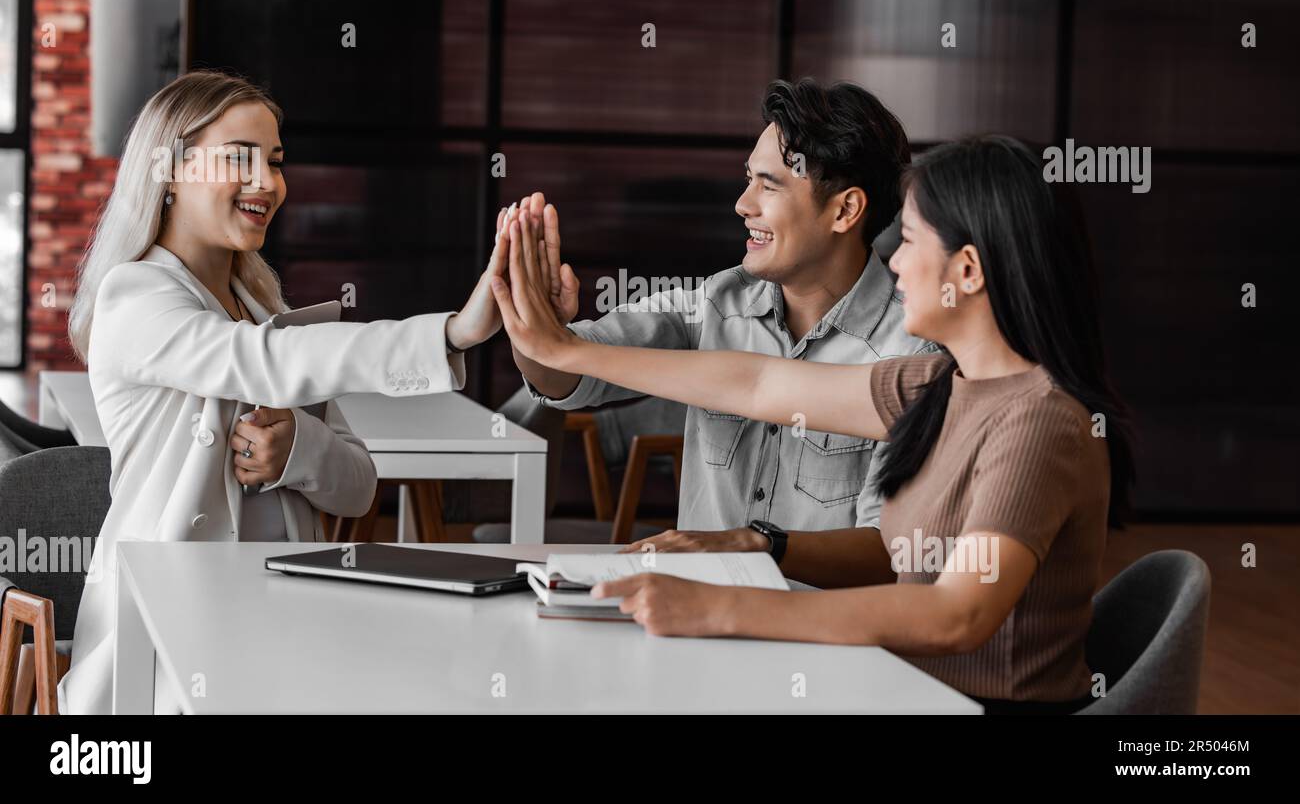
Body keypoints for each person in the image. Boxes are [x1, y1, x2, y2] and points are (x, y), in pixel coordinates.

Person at [492, 135, 1135, 713]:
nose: (894, 263)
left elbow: (957, 613)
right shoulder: (938, 385)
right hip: (896, 688)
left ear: (966, 271)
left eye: (908, 242)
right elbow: (757, 383)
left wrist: (720, 607)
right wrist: (563, 348)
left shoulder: (1039, 421)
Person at [60, 70, 508, 714]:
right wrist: (455, 333)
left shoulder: (262, 308)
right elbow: (259, 364)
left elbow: (357, 484)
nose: (268, 183)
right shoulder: (135, 297)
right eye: (239, 158)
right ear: (171, 170)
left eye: (274, 161)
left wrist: (298, 447)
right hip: (164, 644)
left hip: (278, 626)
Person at [511, 78, 935, 545]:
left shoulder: (912, 351)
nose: (741, 204)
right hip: (691, 612)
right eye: (747, 179)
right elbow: (563, 377)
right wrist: (534, 326)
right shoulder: (712, 303)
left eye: (768, 186)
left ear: (844, 211)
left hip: (815, 615)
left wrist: (756, 546)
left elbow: (886, 548)